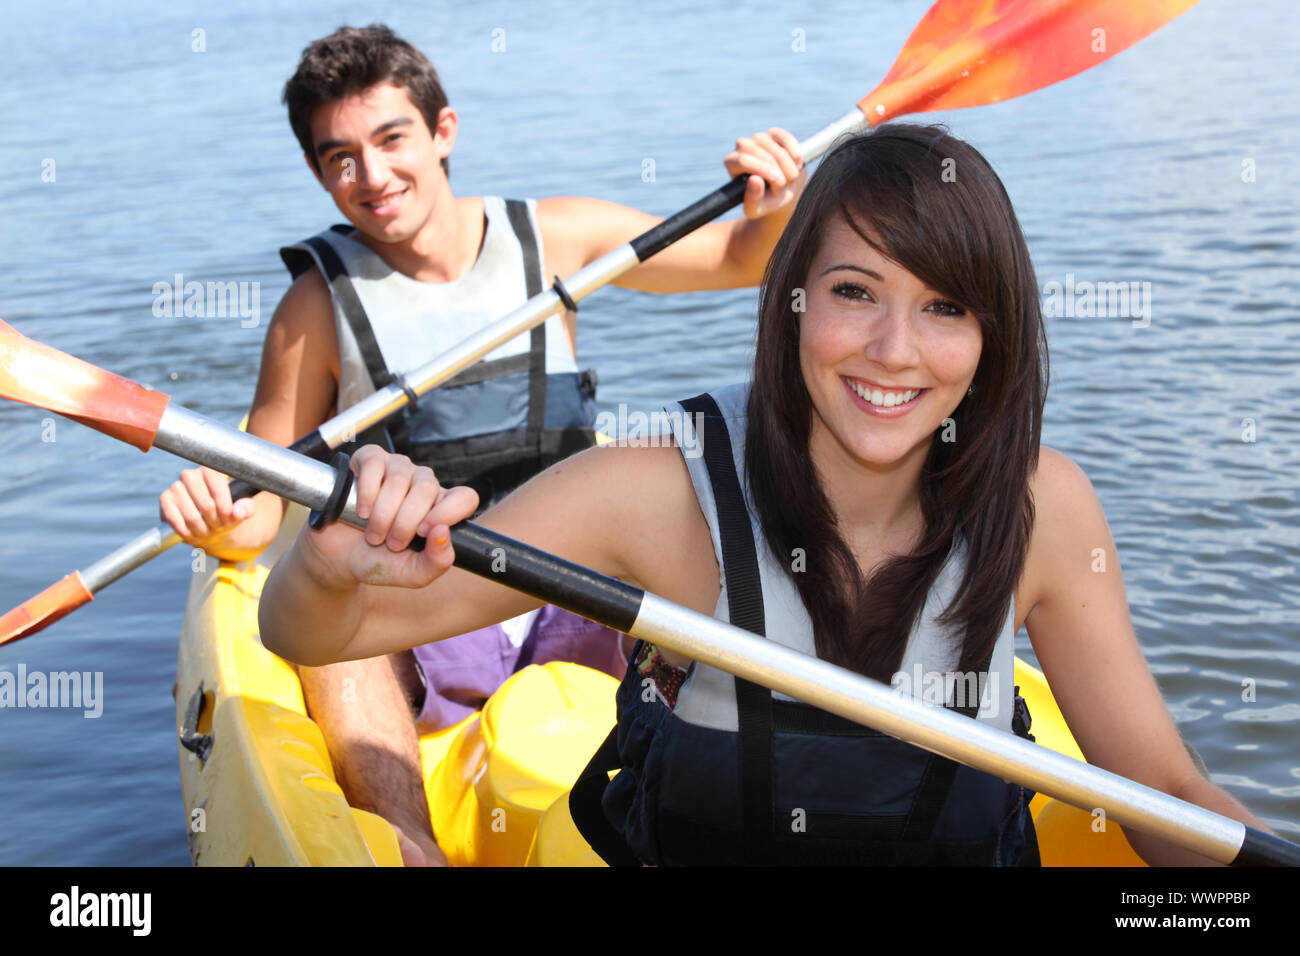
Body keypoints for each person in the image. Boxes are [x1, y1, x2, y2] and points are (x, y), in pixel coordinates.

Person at [256, 123, 1268, 865]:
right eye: (853, 291)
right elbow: (314, 636)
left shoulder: (1043, 506)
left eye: (944, 307)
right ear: (787, 300)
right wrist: (328, 561)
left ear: (991, 333)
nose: (892, 352)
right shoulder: (653, 491)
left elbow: (1166, 797)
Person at [156, 24, 807, 865]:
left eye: (392, 140)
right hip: (427, 590)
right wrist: (210, 510)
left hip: (576, 575)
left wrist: (777, 195)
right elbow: (256, 510)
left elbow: (746, 258)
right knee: (335, 631)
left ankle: (722, 801)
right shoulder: (313, 310)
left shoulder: (556, 239)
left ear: (443, 132)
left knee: (696, 548)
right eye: (340, 157)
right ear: (320, 172)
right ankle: (414, 843)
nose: (374, 176)